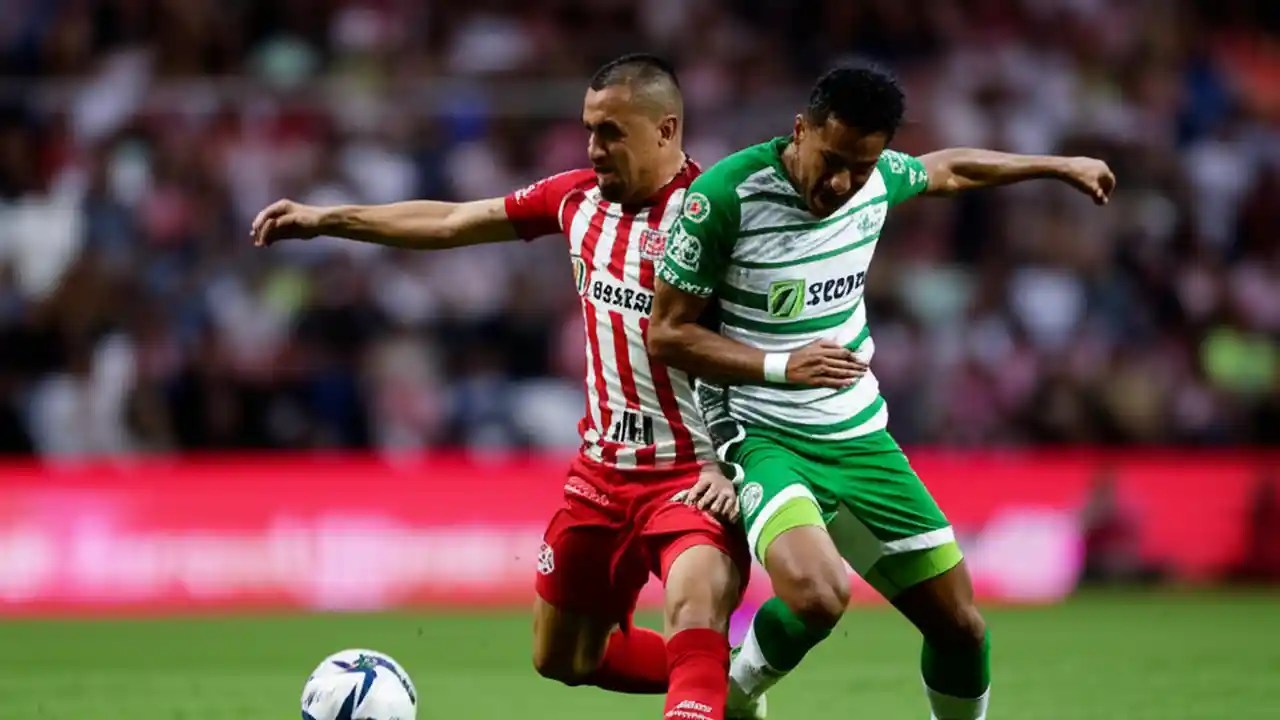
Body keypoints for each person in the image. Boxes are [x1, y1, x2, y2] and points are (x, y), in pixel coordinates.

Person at [251, 54, 835, 720]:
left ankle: (707, 681)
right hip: (602, 473)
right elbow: (452, 222)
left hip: (693, 475)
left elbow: (776, 350)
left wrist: (736, 463)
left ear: (666, 129)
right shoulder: (576, 199)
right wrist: (328, 220)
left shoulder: (717, 218)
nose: (594, 148)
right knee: (564, 658)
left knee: (693, 608)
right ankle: (728, 684)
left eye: (611, 132)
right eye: (590, 130)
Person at [648, 64, 1116, 720]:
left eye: (861, 168)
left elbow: (950, 169)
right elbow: (667, 334)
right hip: (759, 430)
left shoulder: (875, 183)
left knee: (961, 627)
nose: (842, 184)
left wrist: (1058, 166)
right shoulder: (725, 196)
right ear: (801, 130)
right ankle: (736, 694)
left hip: (858, 434)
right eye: (832, 161)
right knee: (817, 595)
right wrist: (781, 366)